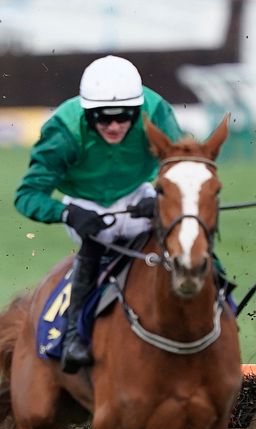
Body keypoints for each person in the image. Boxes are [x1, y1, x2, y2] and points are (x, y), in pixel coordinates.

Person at [14, 55, 183, 374]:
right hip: (85, 203)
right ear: (88, 113)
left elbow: (183, 166)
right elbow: (27, 196)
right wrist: (67, 213)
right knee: (96, 241)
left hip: (139, 192)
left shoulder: (157, 112)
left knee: (183, 228)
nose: (114, 126)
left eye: (124, 118)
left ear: (138, 109)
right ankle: (76, 335)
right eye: (104, 119)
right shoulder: (64, 130)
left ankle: (219, 297)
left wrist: (163, 193)